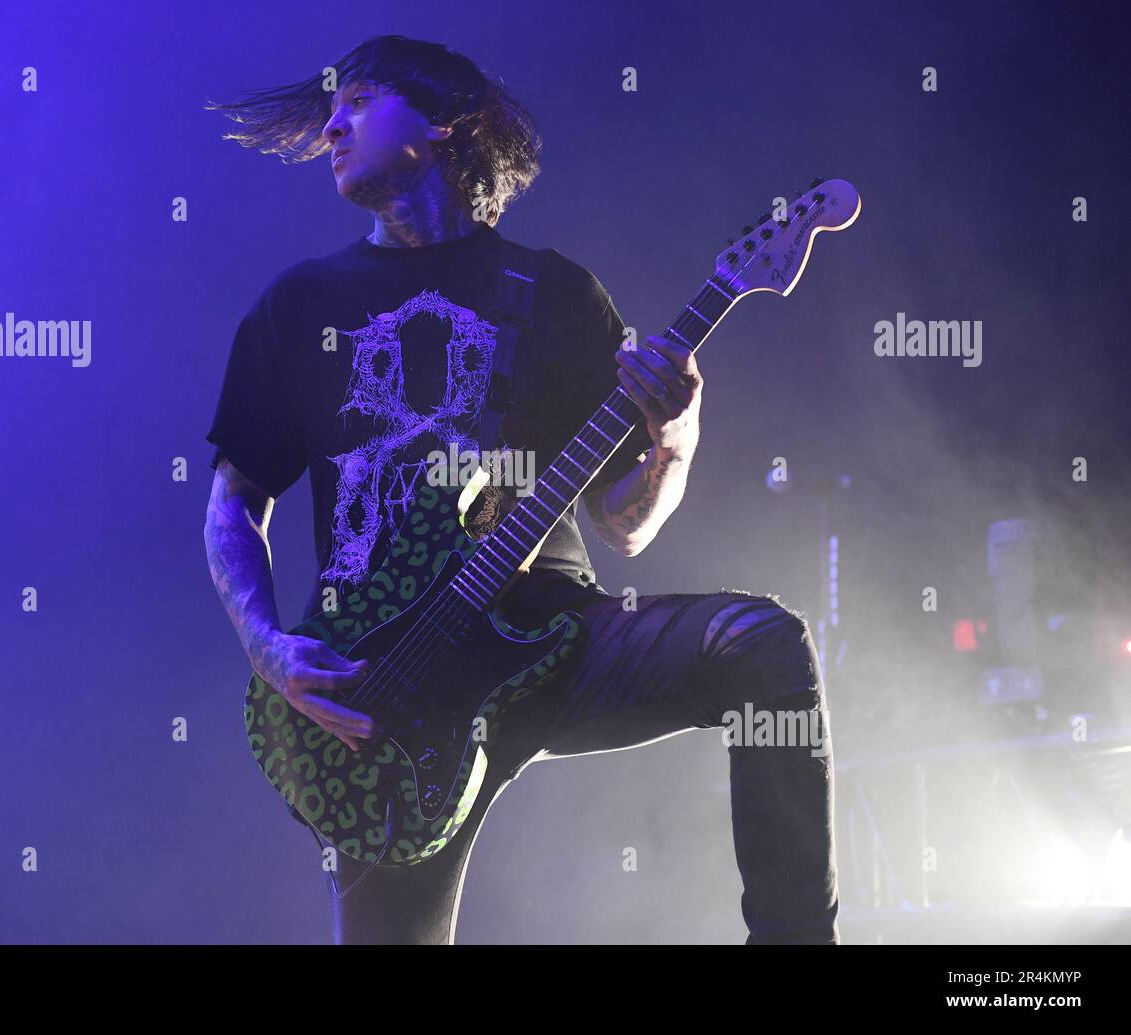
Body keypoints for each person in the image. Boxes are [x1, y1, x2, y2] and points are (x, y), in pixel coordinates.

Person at [203, 34, 839, 944]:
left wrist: (677, 437)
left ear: (441, 121)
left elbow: (624, 525)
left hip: (551, 640)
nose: (333, 124)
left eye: (360, 101)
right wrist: (268, 648)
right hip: (383, 693)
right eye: (330, 109)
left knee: (764, 646)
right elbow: (233, 504)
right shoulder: (300, 305)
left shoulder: (554, 294)